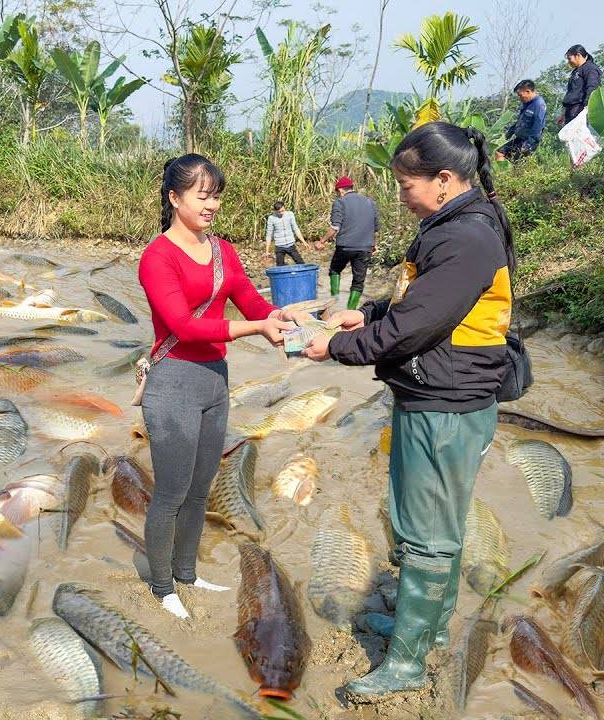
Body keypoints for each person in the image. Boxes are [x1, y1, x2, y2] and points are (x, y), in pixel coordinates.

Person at [302, 121, 514, 699]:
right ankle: (427, 631)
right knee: (427, 525)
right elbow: (414, 304)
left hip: (445, 406)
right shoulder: (456, 226)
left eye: (405, 184)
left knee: (427, 535)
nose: (400, 195)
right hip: (437, 397)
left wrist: (336, 346)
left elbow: (417, 326)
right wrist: (364, 315)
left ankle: (408, 664)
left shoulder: (466, 238)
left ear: (444, 180)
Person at [136, 154, 303, 619]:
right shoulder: (157, 257)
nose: (211, 206)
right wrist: (253, 331)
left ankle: (187, 572)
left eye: (216, 197)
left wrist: (272, 315)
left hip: (214, 382)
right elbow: (185, 328)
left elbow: (246, 298)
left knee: (200, 486)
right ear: (175, 198)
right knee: (171, 489)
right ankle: (162, 585)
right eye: (202, 196)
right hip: (173, 385)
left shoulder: (223, 251)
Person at [316, 176, 379, 310]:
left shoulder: (340, 202)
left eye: (337, 192)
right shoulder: (370, 202)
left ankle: (334, 299)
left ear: (340, 190)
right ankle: (350, 310)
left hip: (345, 246)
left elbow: (335, 227)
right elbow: (375, 228)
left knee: (335, 269)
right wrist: (374, 244)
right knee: (358, 281)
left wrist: (322, 241)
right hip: (365, 247)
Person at [496, 79, 546, 162]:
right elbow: (521, 121)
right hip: (519, 139)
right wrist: (510, 132)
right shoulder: (526, 103)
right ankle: (501, 174)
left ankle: (516, 174)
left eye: (521, 95)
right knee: (500, 153)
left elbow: (538, 126)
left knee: (518, 163)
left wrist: (529, 144)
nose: (520, 98)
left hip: (528, 141)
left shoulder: (539, 104)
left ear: (528, 91)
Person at [562, 44, 601, 124]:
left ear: (578, 55)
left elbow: (592, 88)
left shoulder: (590, 68)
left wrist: (587, 108)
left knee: (580, 136)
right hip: (571, 111)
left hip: (580, 109)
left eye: (570, 59)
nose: (568, 62)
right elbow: (571, 93)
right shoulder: (576, 71)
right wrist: (563, 114)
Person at [265, 200, 308, 265]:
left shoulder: (290, 214)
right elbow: (269, 235)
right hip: (279, 246)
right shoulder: (271, 218)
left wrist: (304, 242)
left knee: (301, 263)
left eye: (283, 211)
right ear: (275, 211)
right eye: (279, 212)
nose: (282, 213)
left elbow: (296, 229)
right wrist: (267, 251)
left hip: (290, 244)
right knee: (280, 266)